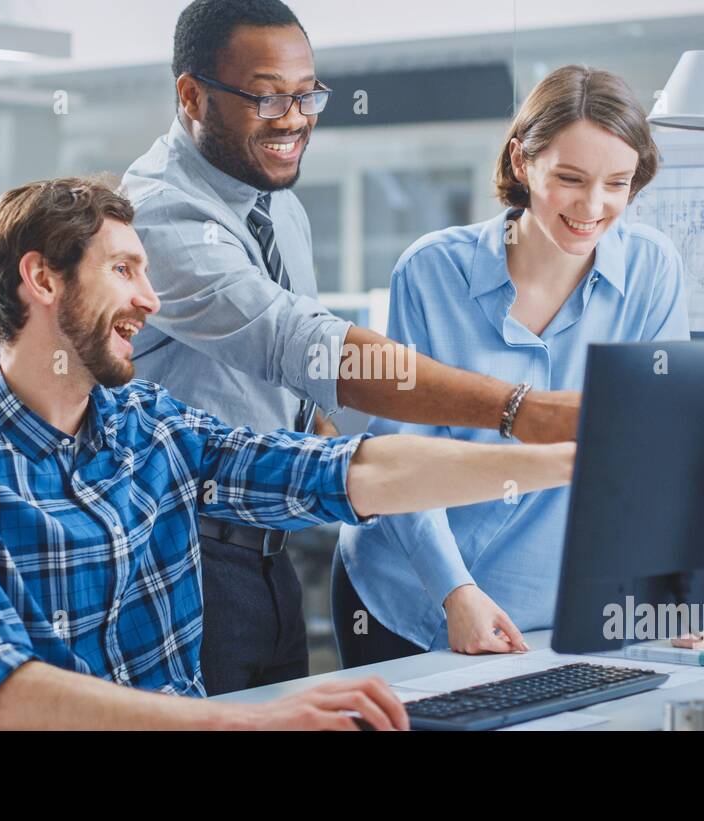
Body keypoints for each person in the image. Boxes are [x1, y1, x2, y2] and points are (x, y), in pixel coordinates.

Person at [0, 176, 575, 730]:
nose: (150, 299)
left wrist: (567, 458)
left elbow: (348, 471)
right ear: (43, 279)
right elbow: (4, 697)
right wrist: (245, 718)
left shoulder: (149, 423)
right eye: (123, 269)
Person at [122, 0, 581, 696]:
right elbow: (307, 347)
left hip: (273, 553)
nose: (296, 117)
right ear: (192, 95)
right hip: (185, 558)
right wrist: (515, 409)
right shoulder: (163, 214)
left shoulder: (277, 203)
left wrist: (448, 564)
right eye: (268, 95)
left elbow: (324, 399)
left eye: (308, 94)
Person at [334, 65, 691, 667]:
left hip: (553, 606)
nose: (594, 206)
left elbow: (660, 449)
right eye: (570, 178)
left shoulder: (653, 271)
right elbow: (402, 448)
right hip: (413, 592)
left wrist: (682, 598)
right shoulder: (432, 272)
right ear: (522, 163)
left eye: (618, 183)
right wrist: (455, 590)